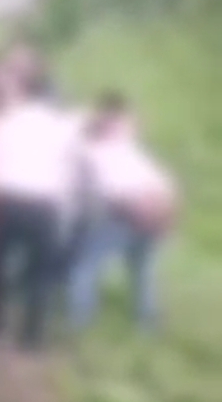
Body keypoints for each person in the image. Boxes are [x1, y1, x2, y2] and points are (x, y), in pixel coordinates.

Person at [0, 71, 80, 350]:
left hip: (5, 200)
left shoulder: (5, 121)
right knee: (40, 272)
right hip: (44, 206)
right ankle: (31, 337)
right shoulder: (63, 126)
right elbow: (70, 172)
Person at [67, 92, 176, 332]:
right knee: (142, 270)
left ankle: (81, 319)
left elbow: (107, 188)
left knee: (85, 267)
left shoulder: (95, 151)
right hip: (151, 213)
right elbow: (162, 184)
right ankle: (146, 320)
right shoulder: (130, 149)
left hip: (124, 215)